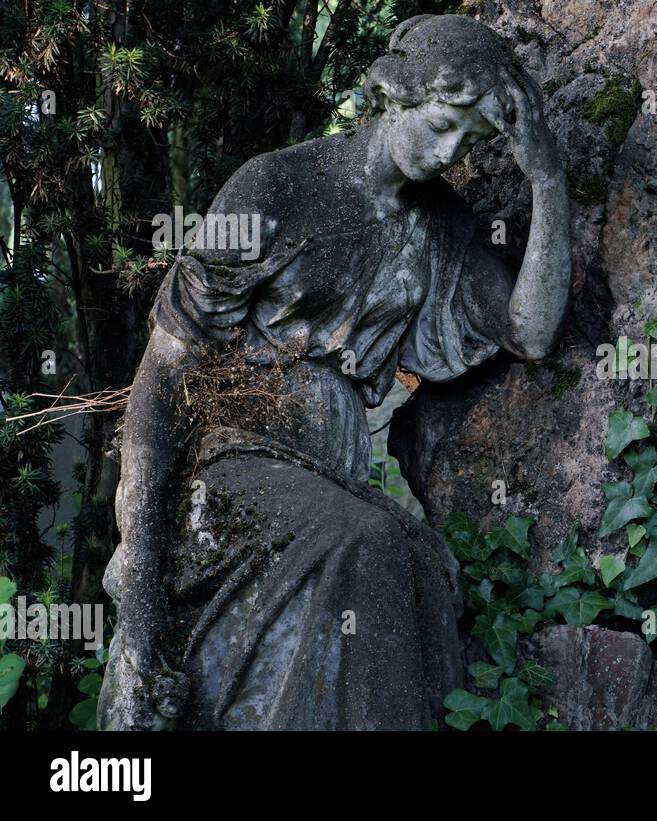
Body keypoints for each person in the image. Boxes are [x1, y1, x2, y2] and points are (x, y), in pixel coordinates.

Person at [99, 14, 571, 730]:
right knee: (368, 540)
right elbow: (163, 374)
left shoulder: (440, 225)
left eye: (472, 141)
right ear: (396, 94)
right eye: (444, 124)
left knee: (424, 568)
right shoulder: (279, 187)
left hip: (332, 476)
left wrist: (547, 177)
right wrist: (138, 561)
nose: (450, 153)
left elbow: (532, 331)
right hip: (236, 460)